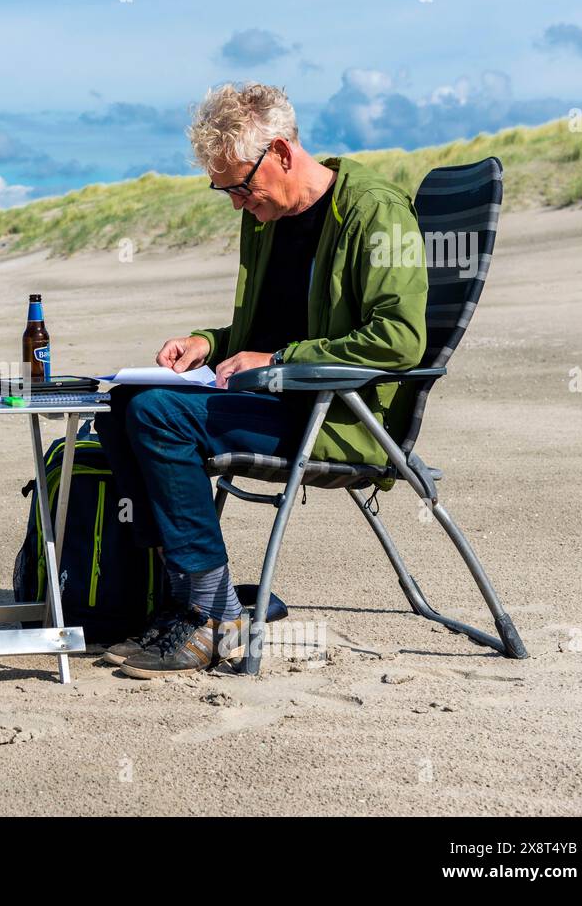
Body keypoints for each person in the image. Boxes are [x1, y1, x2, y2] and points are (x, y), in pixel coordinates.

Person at [94, 81, 428, 677]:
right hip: (279, 399)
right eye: (223, 190)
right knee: (122, 401)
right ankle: (186, 598)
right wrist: (210, 343)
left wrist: (277, 360)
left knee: (156, 414)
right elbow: (265, 333)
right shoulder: (266, 217)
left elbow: (400, 339)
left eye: (240, 187)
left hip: (341, 417)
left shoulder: (376, 211)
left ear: (279, 150)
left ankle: (213, 616)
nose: (235, 203)